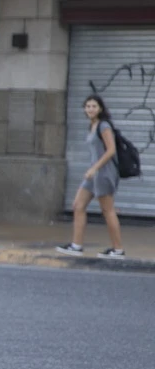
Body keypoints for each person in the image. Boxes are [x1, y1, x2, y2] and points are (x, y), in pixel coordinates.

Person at [56, 95, 124, 259]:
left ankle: (118, 250)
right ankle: (76, 245)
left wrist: (95, 168)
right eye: (88, 106)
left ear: (100, 108)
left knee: (107, 210)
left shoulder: (103, 126)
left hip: (103, 173)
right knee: (78, 206)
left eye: (94, 106)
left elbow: (111, 150)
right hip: (93, 174)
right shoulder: (92, 126)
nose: (90, 109)